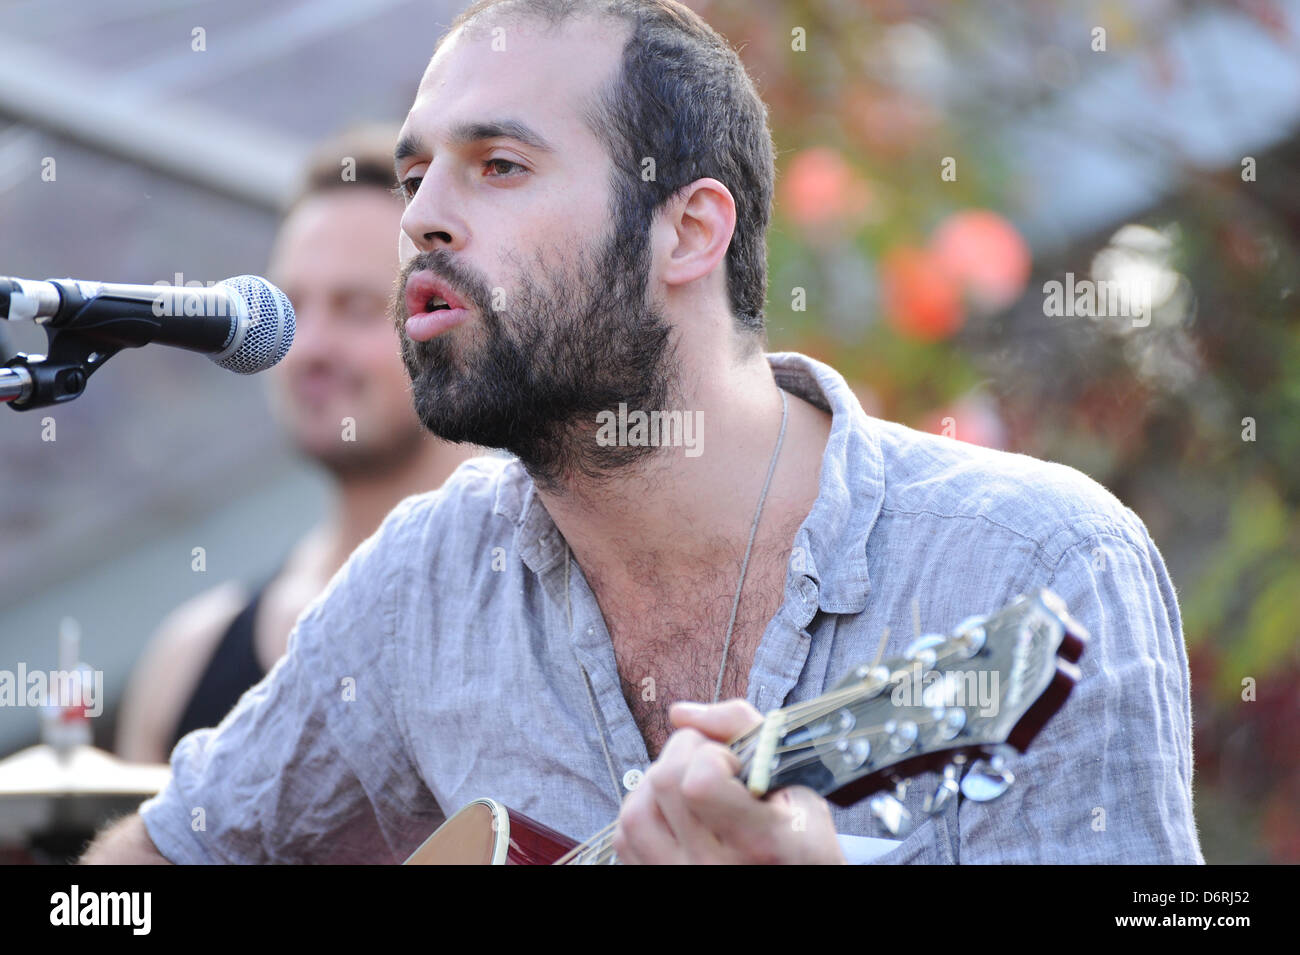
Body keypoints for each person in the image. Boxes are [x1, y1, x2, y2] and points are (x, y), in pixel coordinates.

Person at [84, 0, 1202, 864]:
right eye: (418, 173)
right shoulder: (426, 583)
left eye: (500, 166)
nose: (419, 214)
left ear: (687, 229)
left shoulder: (1033, 565)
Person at [113, 126, 481, 766]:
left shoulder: (546, 578)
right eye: (289, 307)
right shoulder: (190, 655)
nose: (306, 347)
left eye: (357, 307)